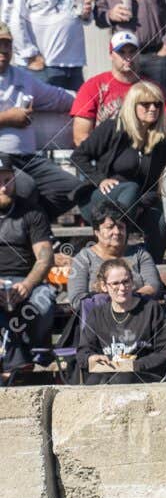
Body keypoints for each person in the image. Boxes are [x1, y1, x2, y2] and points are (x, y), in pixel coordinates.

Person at [71, 79, 166, 258]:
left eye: (157, 104)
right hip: (101, 199)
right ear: (133, 106)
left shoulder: (160, 140)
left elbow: (157, 182)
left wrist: (144, 202)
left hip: (137, 204)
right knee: (131, 187)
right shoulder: (112, 128)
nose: (153, 108)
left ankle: (150, 266)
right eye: (146, 104)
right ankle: (115, 253)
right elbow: (78, 156)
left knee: (162, 218)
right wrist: (99, 179)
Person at [76, 258, 166, 384]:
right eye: (115, 283)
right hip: (108, 374)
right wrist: (91, 358)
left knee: (122, 378)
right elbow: (83, 352)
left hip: (146, 375)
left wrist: (136, 365)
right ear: (104, 286)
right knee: (94, 383)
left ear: (132, 282)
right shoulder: (97, 314)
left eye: (126, 282)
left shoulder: (151, 309)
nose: (122, 288)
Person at [0, 157, 54, 376]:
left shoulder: (32, 211)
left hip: (26, 279)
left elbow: (45, 256)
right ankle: (16, 359)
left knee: (44, 301)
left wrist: (28, 284)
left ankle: (37, 352)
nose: (4, 187)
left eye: (7, 180)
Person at [67, 202, 163, 309]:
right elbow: (77, 299)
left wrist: (126, 300)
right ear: (97, 232)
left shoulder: (139, 255)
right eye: (110, 227)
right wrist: (115, 303)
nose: (117, 232)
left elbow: (153, 287)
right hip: (98, 319)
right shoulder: (83, 259)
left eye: (121, 227)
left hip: (136, 315)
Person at [0, 25, 76, 158]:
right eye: (0, 44)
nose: (4, 50)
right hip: (3, 162)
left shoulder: (22, 77)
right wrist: (8, 118)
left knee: (69, 180)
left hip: (28, 159)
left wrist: (91, 100)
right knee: (25, 180)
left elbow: (57, 97)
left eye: (8, 44)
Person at [70, 30, 148, 146]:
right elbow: (80, 136)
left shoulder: (152, 88)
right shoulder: (92, 86)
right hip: (104, 156)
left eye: (132, 52)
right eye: (121, 52)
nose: (128, 58)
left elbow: (162, 131)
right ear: (111, 55)